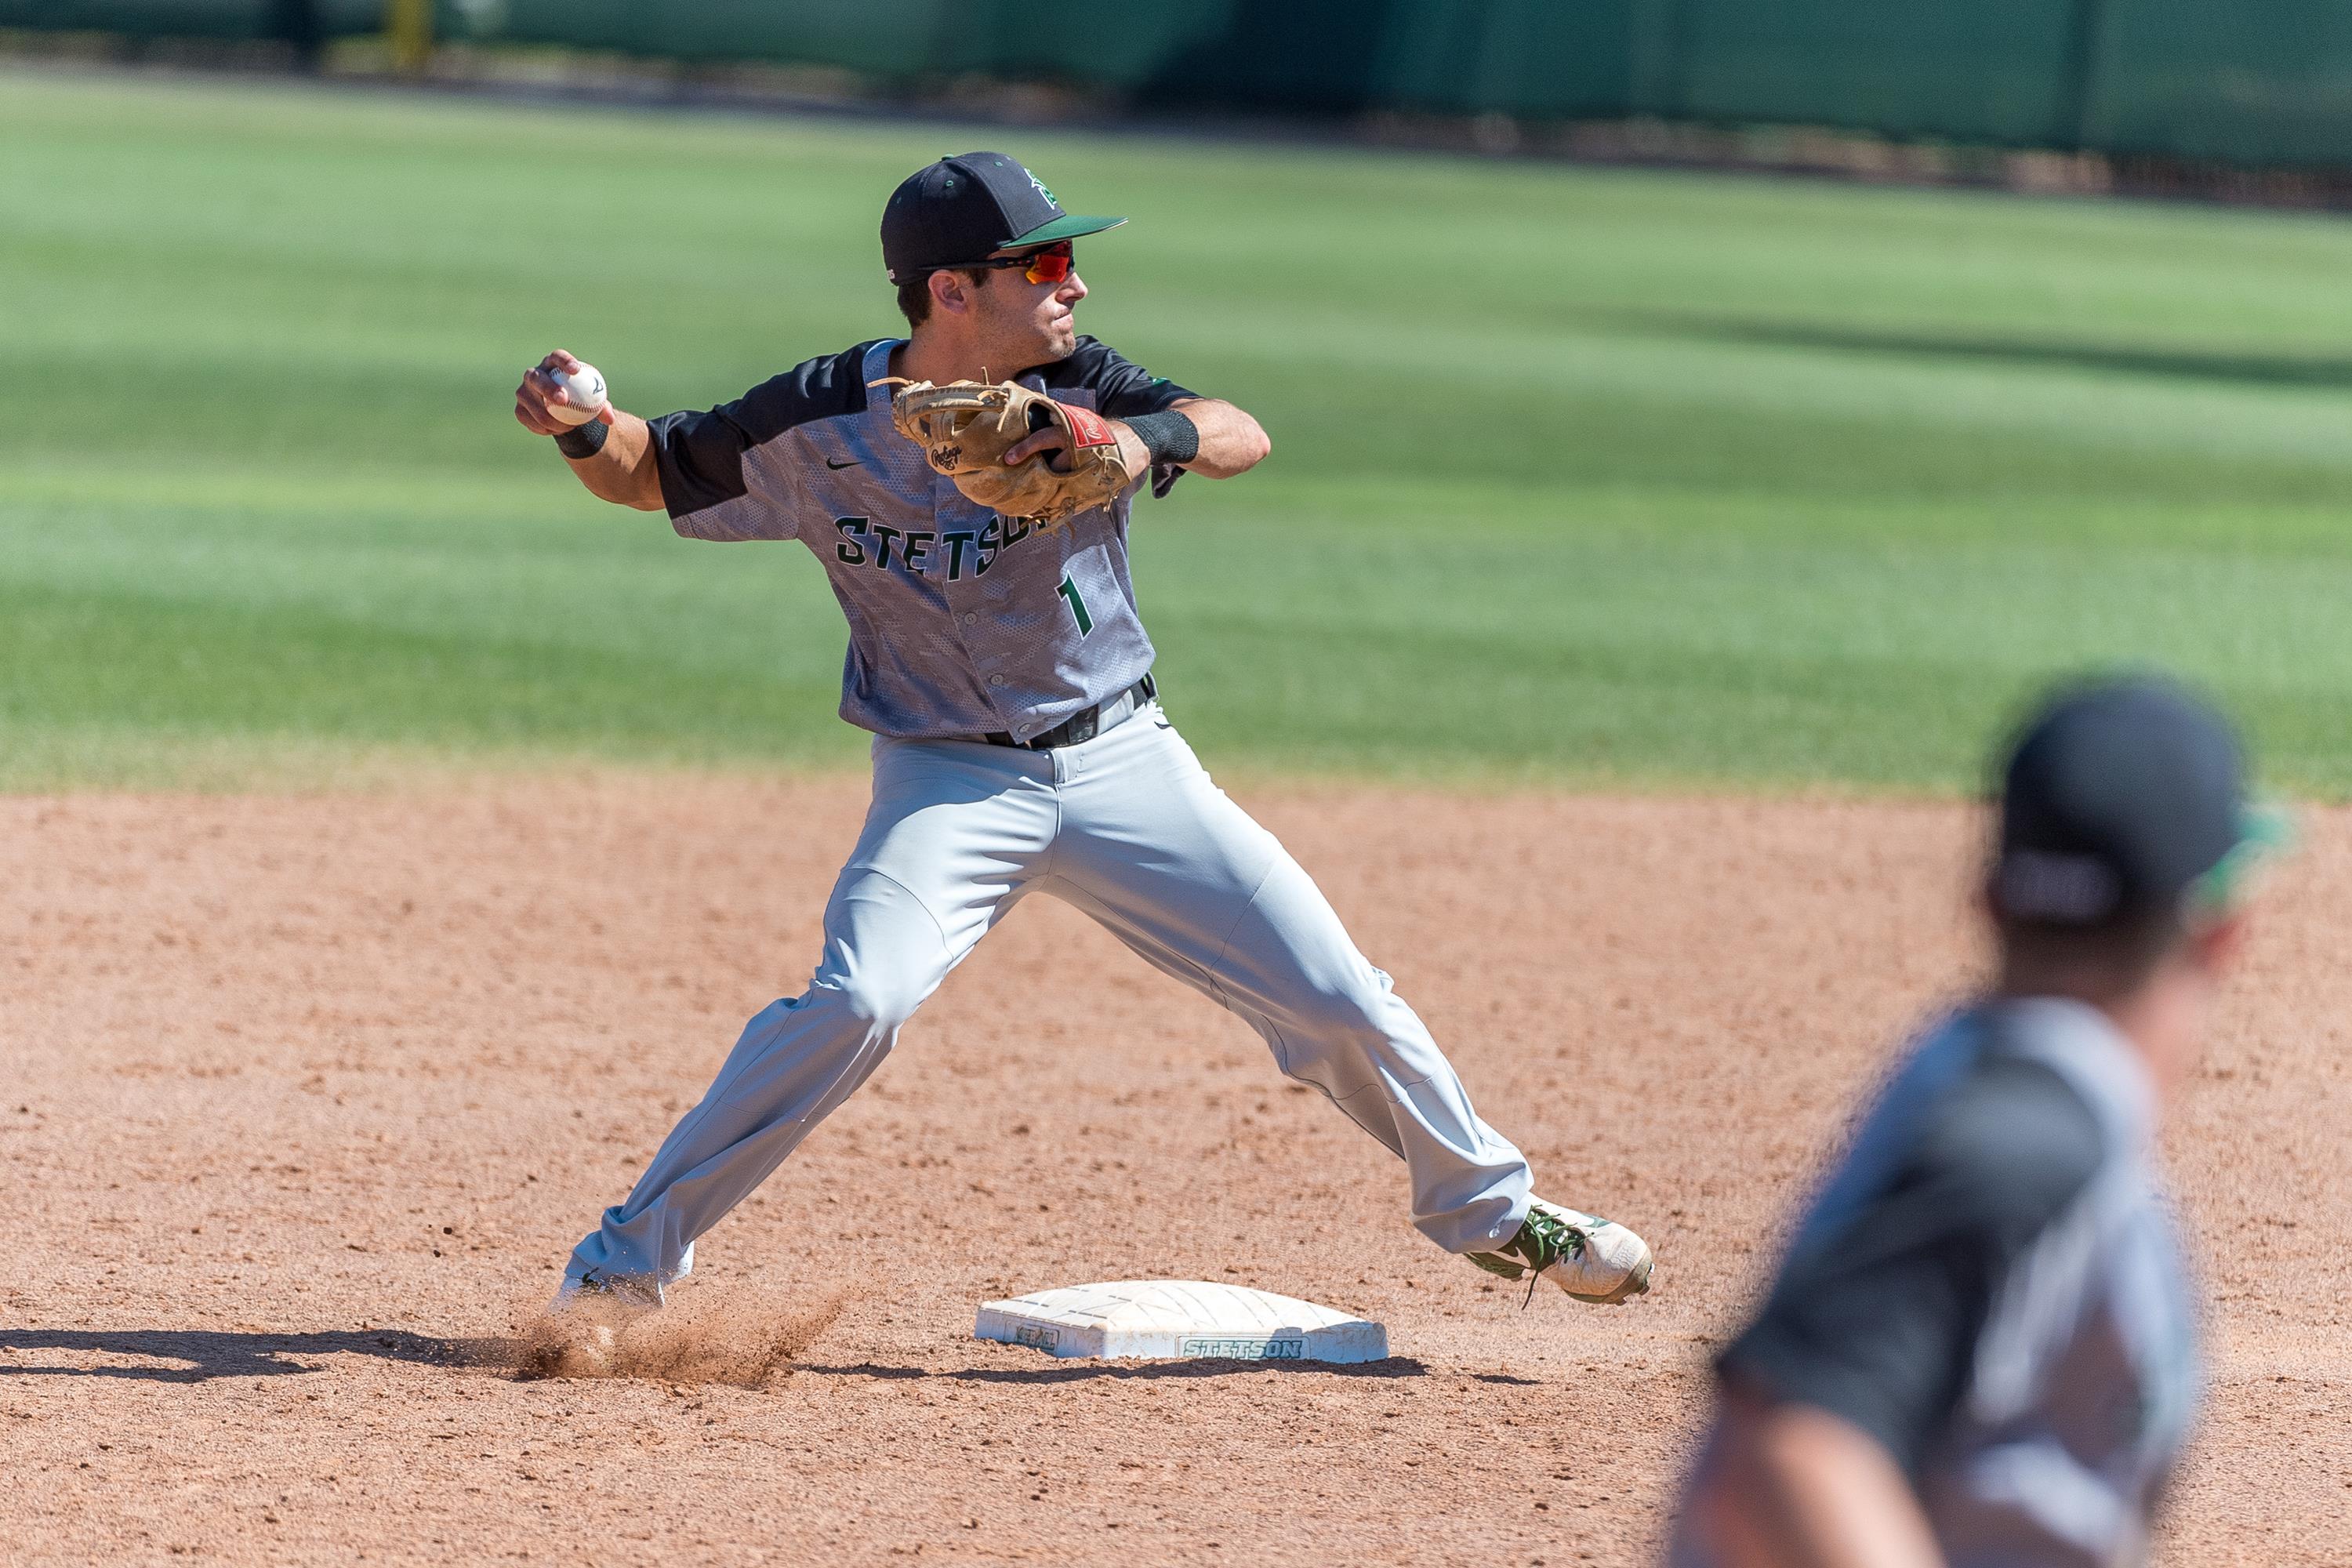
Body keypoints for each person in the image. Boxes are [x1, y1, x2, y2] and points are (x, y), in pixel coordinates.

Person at [510, 151, 1653, 1316]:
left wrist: (1134, 443)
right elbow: (651, 474)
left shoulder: (1078, 382)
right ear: (951, 291)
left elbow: (1237, 428)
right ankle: (621, 1267)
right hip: (944, 780)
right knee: (854, 1004)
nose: (1076, 286)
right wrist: (579, 423)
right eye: (1045, 261)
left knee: (1335, 1000)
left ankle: (1501, 1217)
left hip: (1124, 762)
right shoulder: (817, 420)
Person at [1671, 674, 2284, 1567]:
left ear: (1989, 899)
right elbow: (1787, 1451)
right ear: (2226, 926)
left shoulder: (1978, 1072)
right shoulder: (2026, 1142)